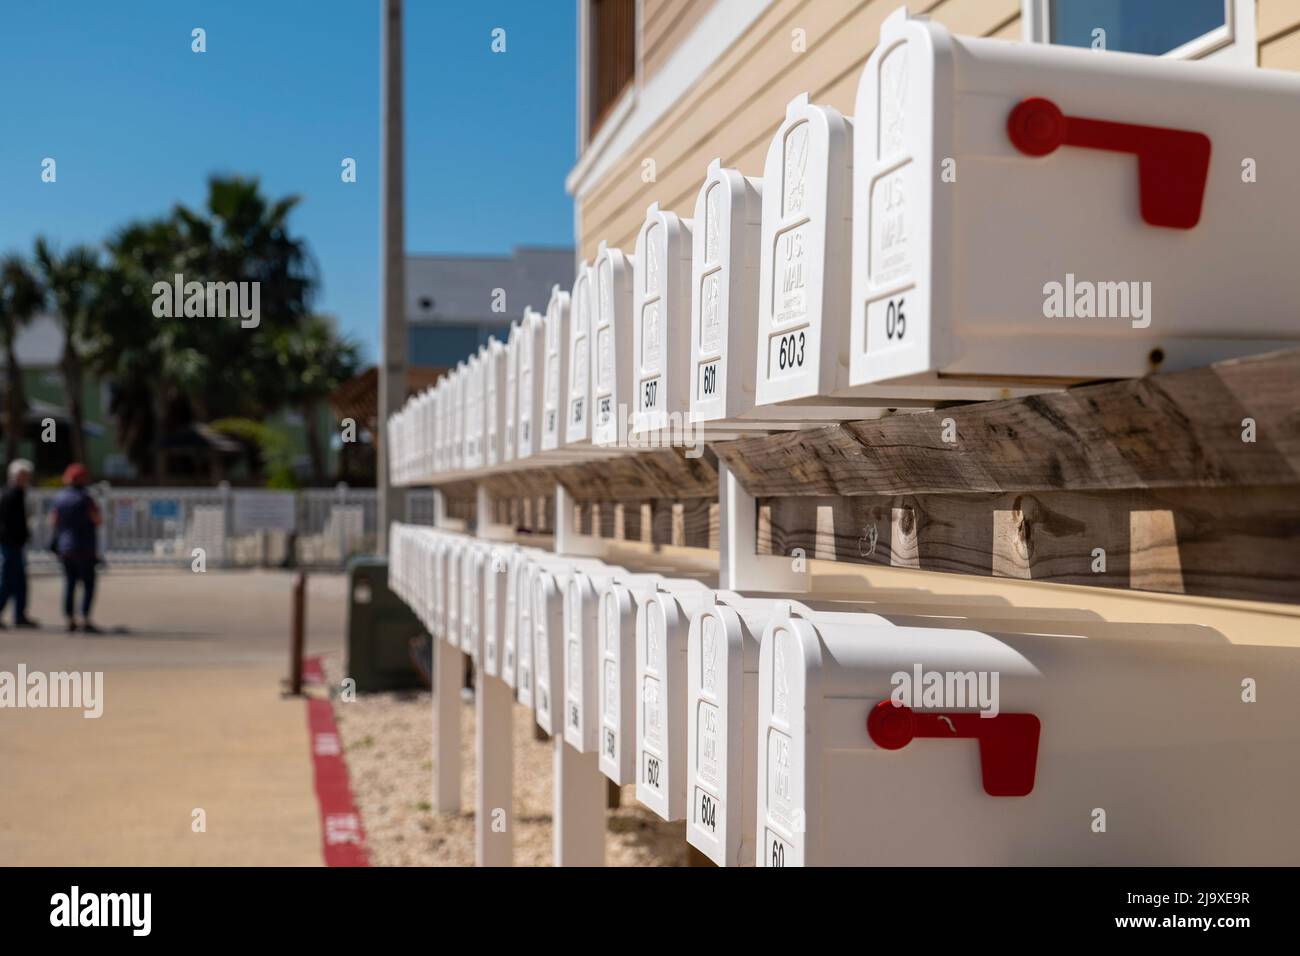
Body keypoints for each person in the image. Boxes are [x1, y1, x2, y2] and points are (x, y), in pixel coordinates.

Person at [50, 463, 102, 634]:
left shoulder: (60, 498)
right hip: (85, 547)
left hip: (66, 548)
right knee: (88, 585)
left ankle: (70, 619)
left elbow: (54, 521)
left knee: (70, 584)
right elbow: (97, 520)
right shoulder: (86, 499)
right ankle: (85, 619)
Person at [0, 459, 39, 629]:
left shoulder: (19, 493)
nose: (26, 479)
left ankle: (20, 616)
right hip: (10, 544)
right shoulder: (10, 494)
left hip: (16, 543)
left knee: (20, 582)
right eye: (23, 476)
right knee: (8, 581)